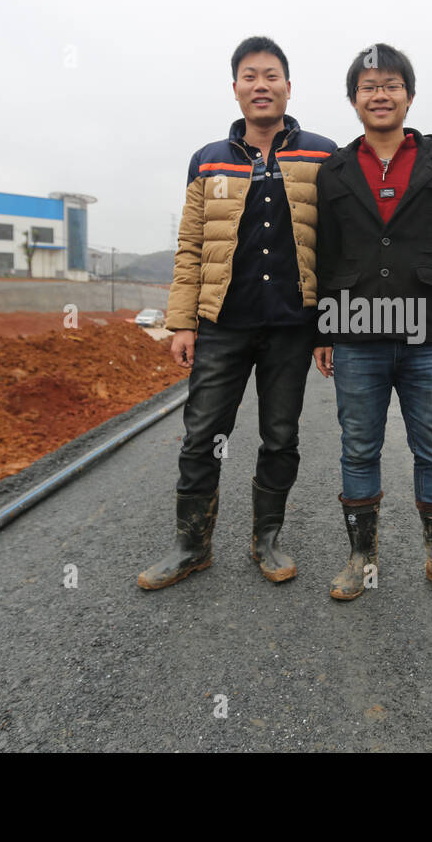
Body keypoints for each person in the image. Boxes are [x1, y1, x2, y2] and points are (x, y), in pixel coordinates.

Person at [138, 36, 335, 590]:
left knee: (281, 435)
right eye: (250, 76)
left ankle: (266, 540)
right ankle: (191, 545)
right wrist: (181, 321)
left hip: (293, 327)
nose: (261, 86)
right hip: (222, 324)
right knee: (203, 434)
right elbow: (192, 246)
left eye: (271, 76)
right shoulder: (208, 161)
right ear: (236, 89)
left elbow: (339, 245)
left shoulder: (323, 154)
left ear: (288, 87)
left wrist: (331, 326)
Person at [312, 43, 432, 604]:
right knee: (358, 446)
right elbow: (324, 256)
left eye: (391, 84)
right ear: (353, 100)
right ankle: (361, 559)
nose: (380, 94)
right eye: (368, 87)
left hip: (426, 334)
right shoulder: (335, 170)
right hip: (356, 332)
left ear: (409, 95)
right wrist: (322, 329)